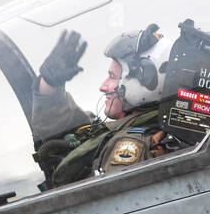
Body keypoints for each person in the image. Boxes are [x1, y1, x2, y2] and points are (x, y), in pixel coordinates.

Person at [31, 24, 176, 189]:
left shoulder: (132, 145)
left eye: (112, 77)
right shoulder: (129, 127)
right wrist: (50, 84)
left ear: (143, 83)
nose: (103, 86)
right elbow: (72, 132)